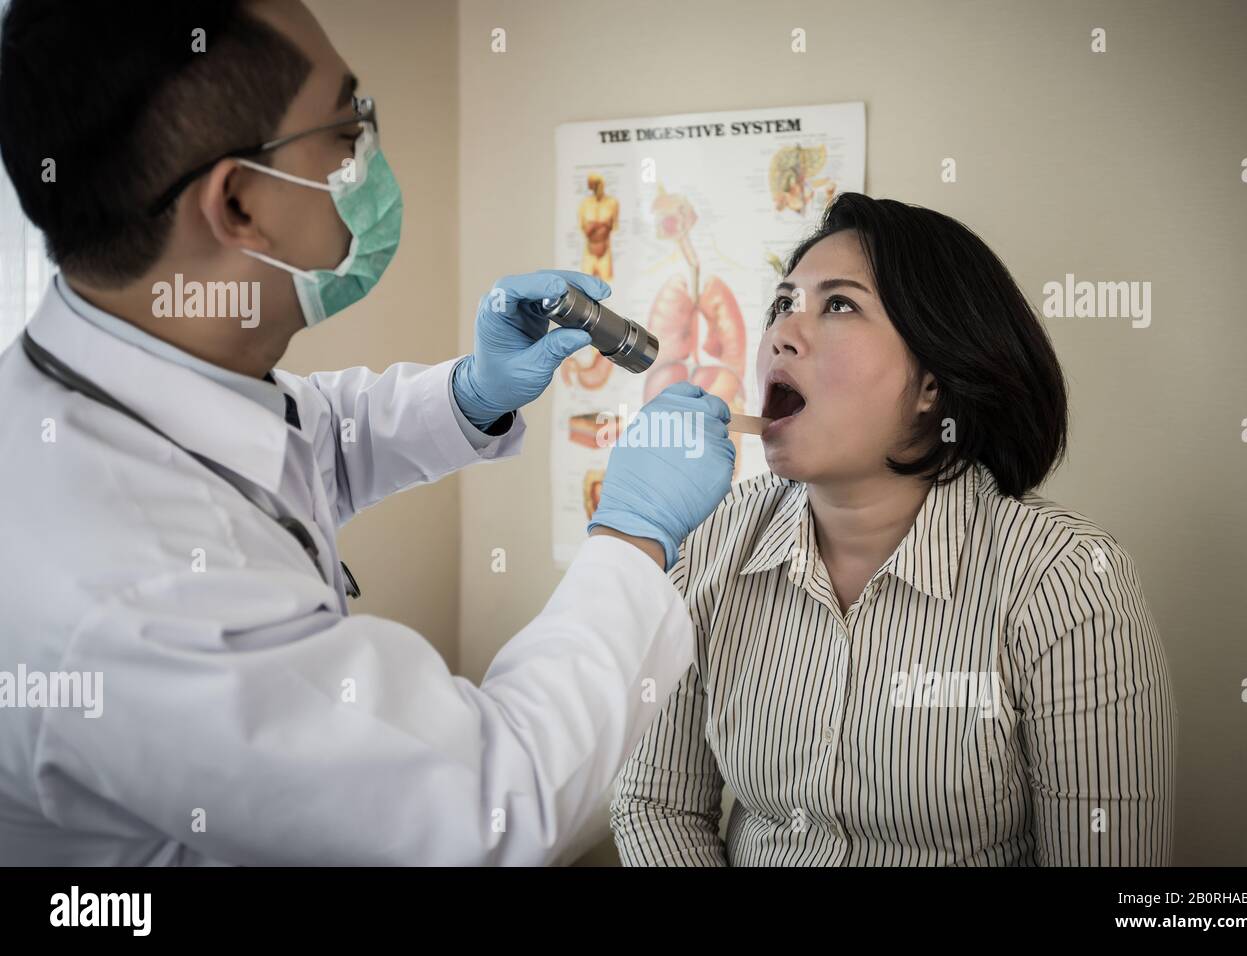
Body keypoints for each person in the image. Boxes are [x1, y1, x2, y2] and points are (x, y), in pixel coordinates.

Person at [0, 0, 734, 865]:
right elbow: (490, 810)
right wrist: (631, 534)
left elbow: (307, 444)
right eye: (349, 126)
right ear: (239, 204)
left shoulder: (137, 387)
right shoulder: (131, 582)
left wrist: (471, 394)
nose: (370, 157)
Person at [612, 194, 1177, 866]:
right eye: (782, 305)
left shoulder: (1066, 581)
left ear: (932, 384)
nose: (783, 333)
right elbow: (655, 803)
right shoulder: (708, 538)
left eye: (839, 304)